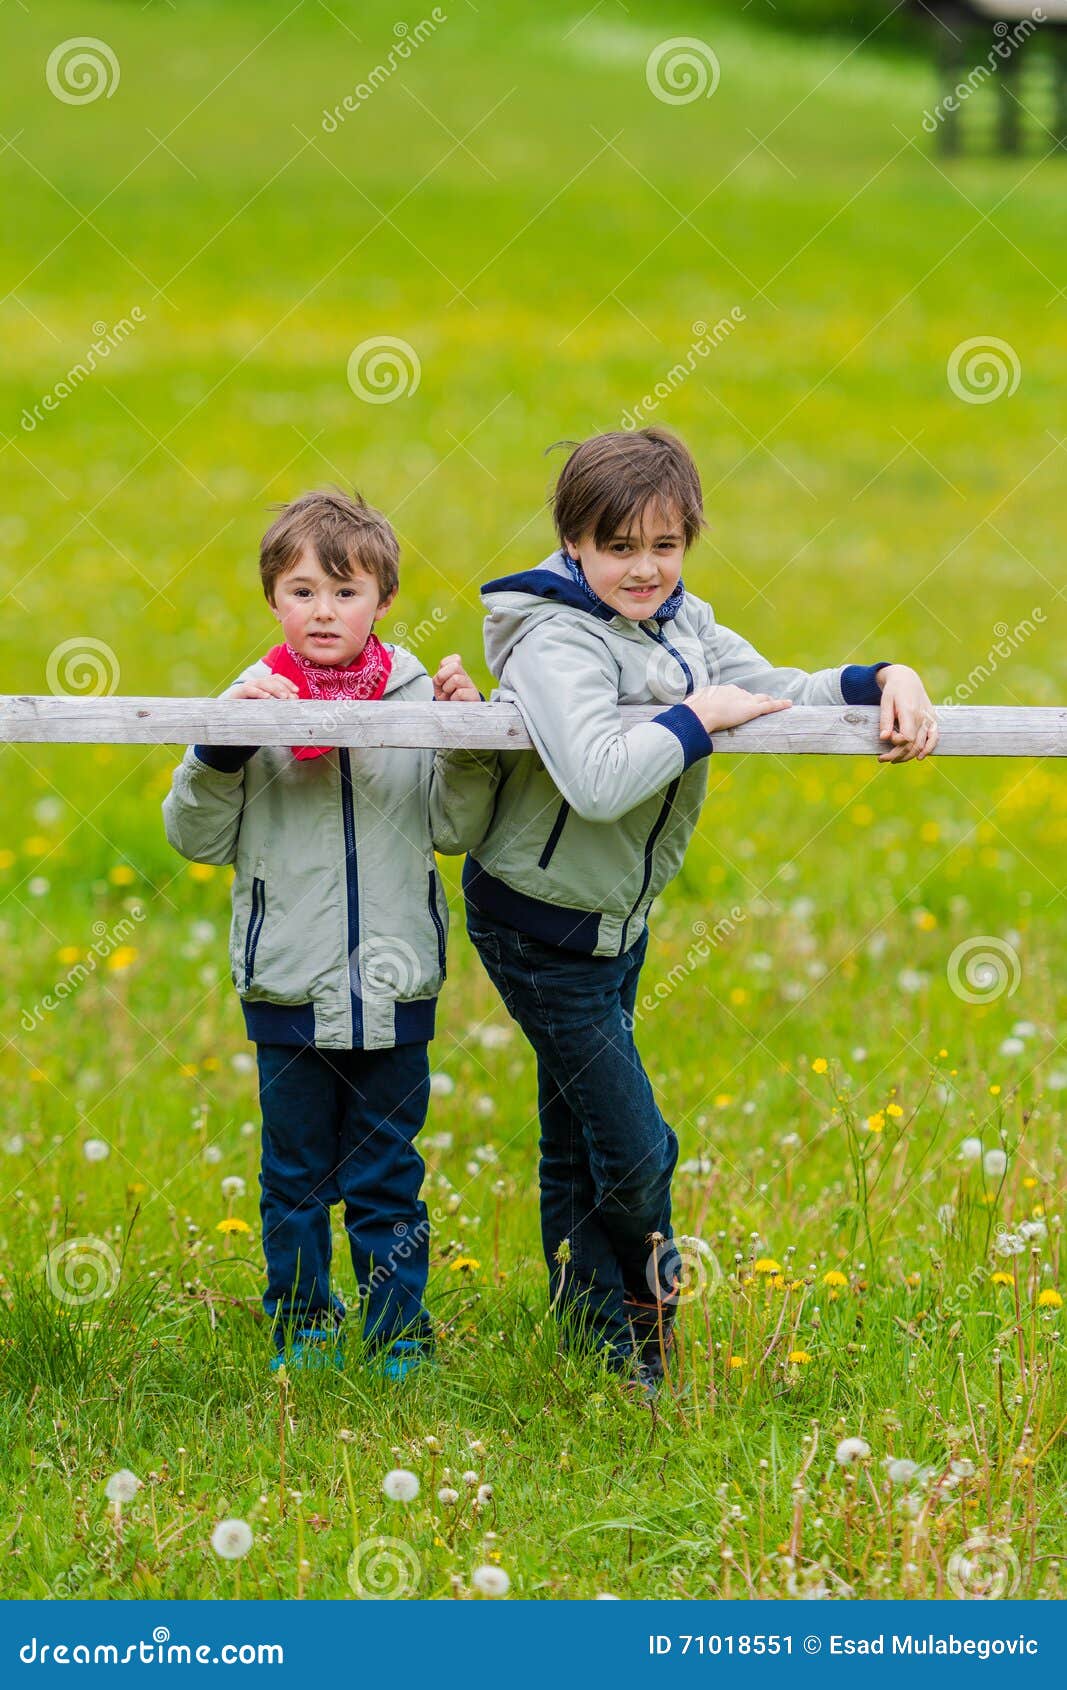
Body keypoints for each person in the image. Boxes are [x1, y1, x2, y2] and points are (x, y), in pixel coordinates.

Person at [462, 428, 938, 1395]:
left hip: (613, 922)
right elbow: (596, 781)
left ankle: (596, 1338)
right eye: (619, 547)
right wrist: (695, 721)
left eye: (664, 546)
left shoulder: (682, 623)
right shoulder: (557, 641)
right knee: (637, 1151)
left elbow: (774, 691)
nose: (644, 569)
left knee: (575, 1132)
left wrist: (883, 677)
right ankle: (646, 1325)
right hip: (536, 922)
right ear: (572, 545)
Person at [163, 488, 497, 1377]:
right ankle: (303, 1325)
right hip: (287, 978)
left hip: (396, 983)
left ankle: (397, 1334)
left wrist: (466, 738)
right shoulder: (249, 700)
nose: (323, 611)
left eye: (346, 592)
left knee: (389, 1173)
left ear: (382, 600)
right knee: (295, 1177)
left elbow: (454, 826)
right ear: (273, 596)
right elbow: (196, 837)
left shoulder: (415, 695)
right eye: (303, 591)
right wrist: (225, 743)